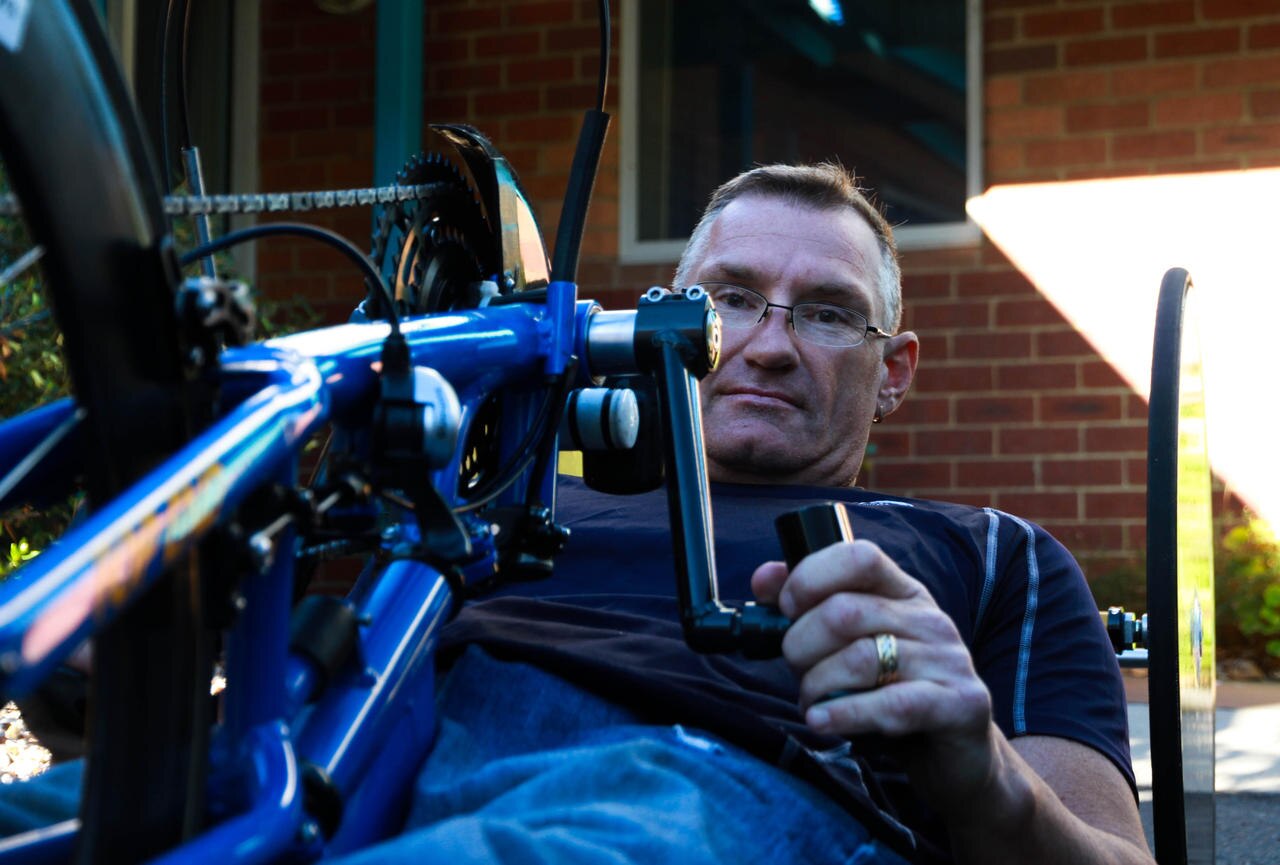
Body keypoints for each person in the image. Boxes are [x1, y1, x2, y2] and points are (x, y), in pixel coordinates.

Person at [0, 164, 1150, 865]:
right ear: (653, 327)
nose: (762, 341)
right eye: (728, 301)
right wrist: (105, 656)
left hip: (696, 776)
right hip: (354, 739)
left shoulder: (991, 554)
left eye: (825, 314)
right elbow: (122, 714)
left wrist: (973, 757)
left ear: (892, 367)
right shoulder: (493, 483)